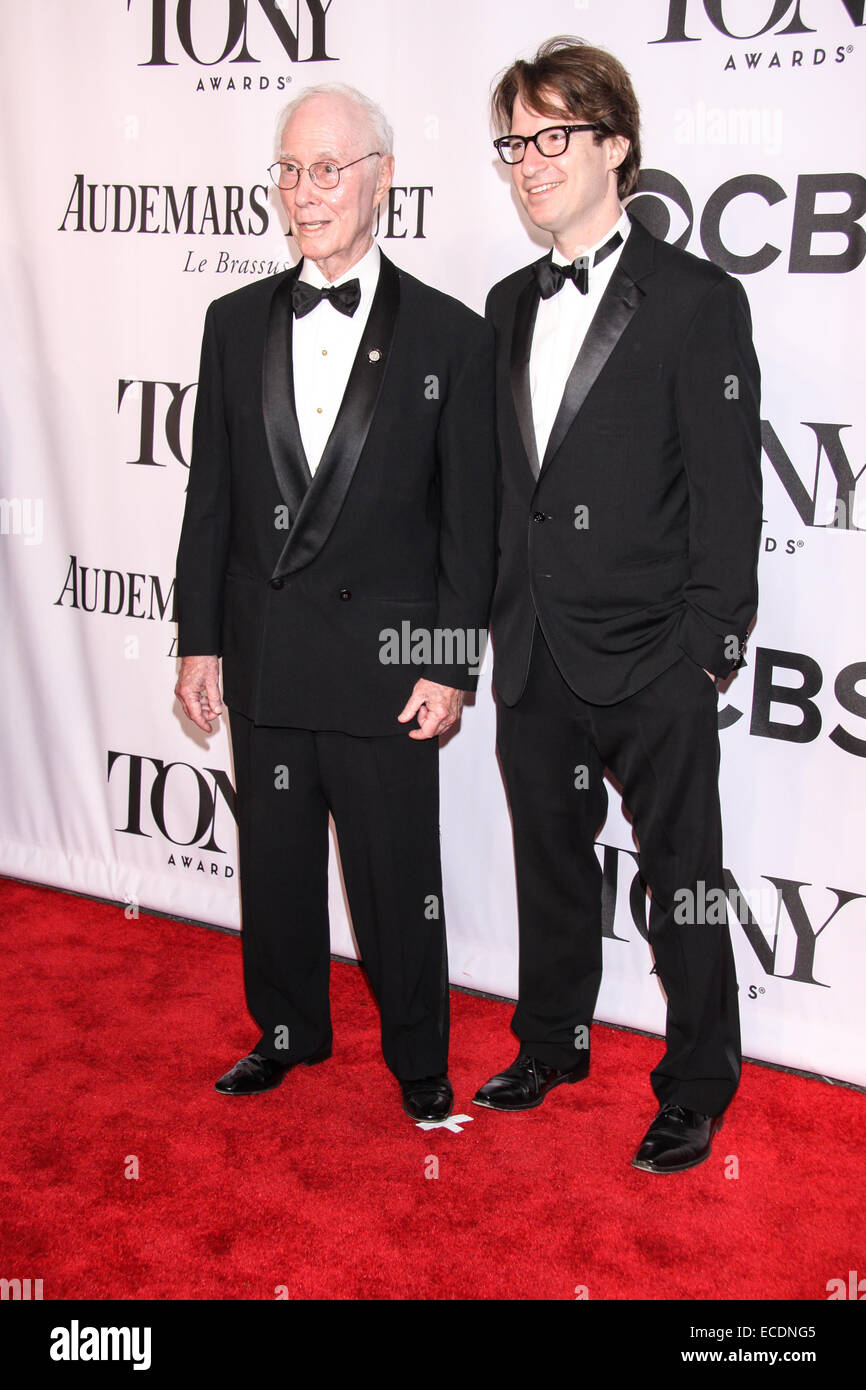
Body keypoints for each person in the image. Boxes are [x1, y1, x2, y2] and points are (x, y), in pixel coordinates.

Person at [175, 83, 496, 1123]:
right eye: (287, 169)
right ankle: (284, 1031)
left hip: (387, 664)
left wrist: (449, 663)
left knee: (397, 877)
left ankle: (417, 1059)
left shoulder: (451, 337)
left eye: (326, 169)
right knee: (272, 868)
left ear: (382, 179)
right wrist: (198, 642)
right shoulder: (232, 323)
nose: (302, 194)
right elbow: (211, 500)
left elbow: (468, 525)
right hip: (266, 656)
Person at [474, 37, 762, 1172]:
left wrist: (705, 648)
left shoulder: (696, 300)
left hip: (653, 654)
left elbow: (727, 494)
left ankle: (697, 1080)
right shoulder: (501, 305)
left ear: (614, 145)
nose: (527, 163)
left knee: (681, 879)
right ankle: (550, 1039)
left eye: (551, 136)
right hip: (534, 650)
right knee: (548, 859)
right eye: (512, 142)